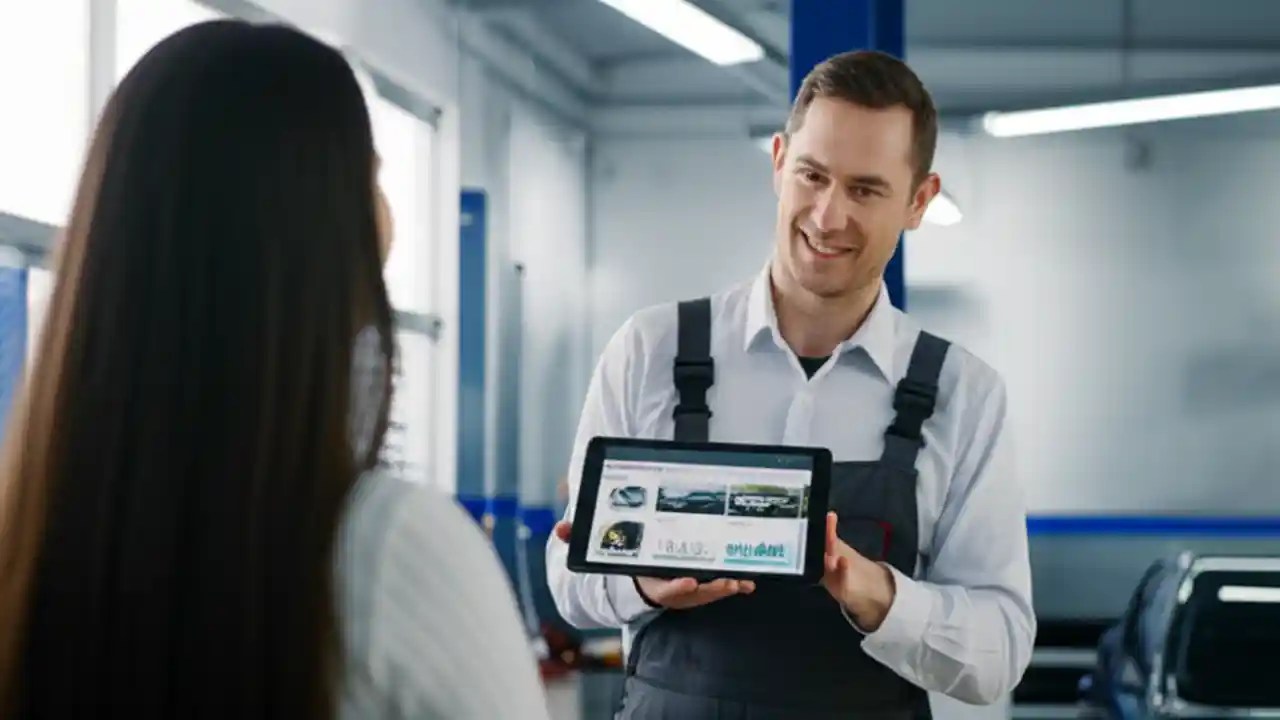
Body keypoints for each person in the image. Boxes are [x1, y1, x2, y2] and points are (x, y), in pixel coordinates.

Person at [0, 20, 549, 720]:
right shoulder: (388, 549)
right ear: (315, 229)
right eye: (371, 177)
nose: (388, 217)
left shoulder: (30, 541)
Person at [546, 50, 1035, 718]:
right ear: (779, 162)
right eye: (812, 176)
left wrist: (881, 597)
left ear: (919, 201)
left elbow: (1001, 653)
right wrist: (644, 582)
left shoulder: (964, 394)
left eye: (865, 189)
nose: (829, 216)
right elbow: (569, 577)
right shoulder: (650, 351)